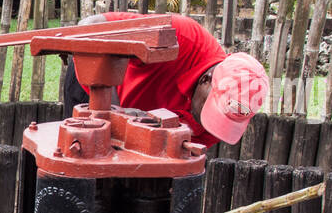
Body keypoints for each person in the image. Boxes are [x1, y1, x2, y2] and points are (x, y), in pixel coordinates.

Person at [61, 11, 268, 147]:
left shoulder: (224, 120)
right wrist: (115, 116)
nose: (207, 122)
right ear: (206, 80)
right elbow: (91, 26)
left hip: (141, 120)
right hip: (94, 85)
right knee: (85, 159)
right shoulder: (180, 35)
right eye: (210, 108)